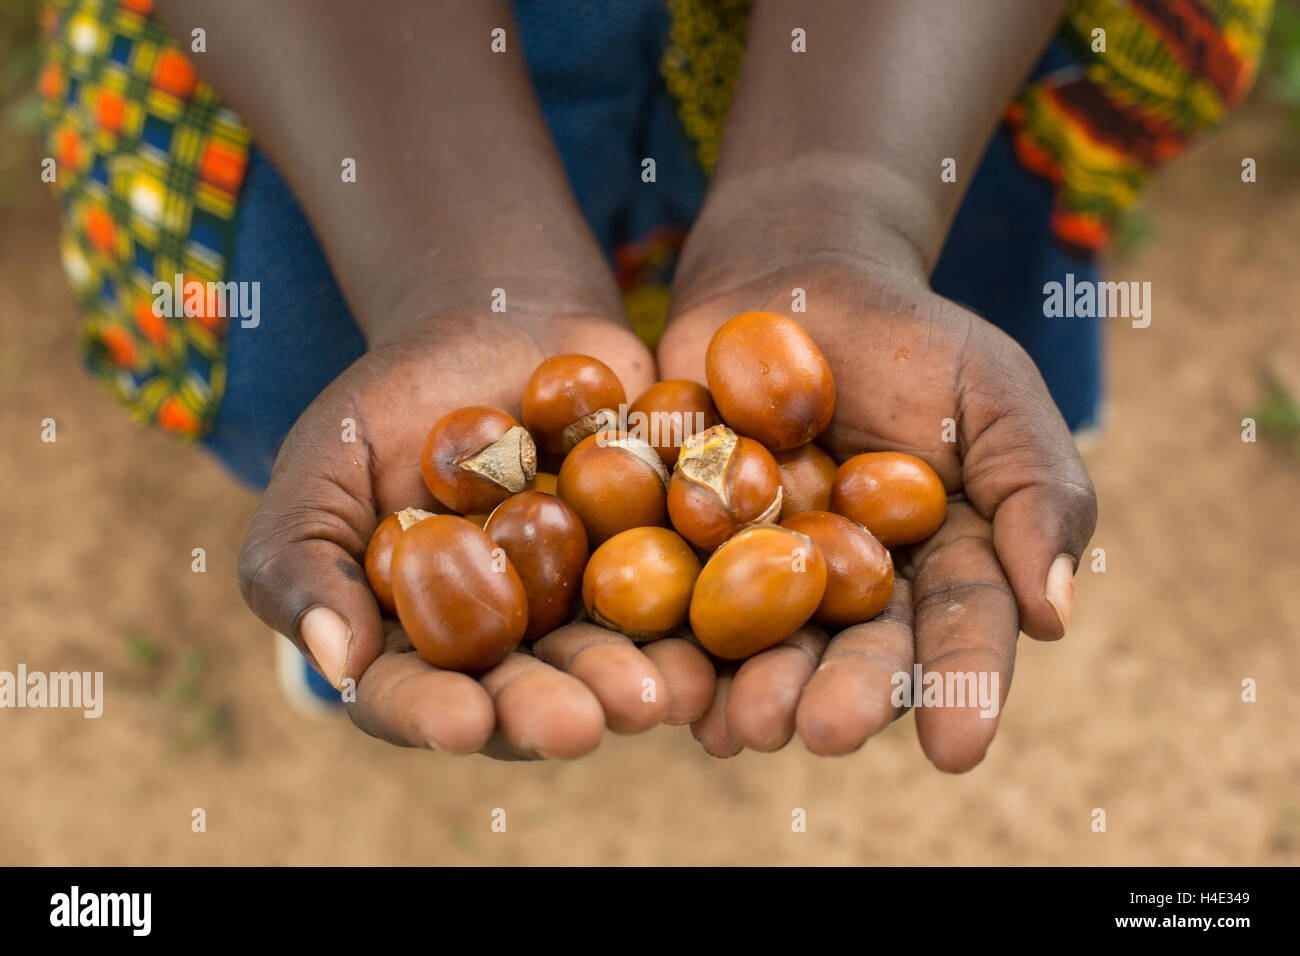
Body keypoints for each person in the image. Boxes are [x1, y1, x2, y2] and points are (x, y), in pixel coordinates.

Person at [38, 0, 1272, 765]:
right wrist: (462, 271)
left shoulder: (725, 477)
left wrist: (839, 205)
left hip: (903, 53)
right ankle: (367, 615)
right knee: (327, 351)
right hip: (356, 75)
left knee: (954, 284)